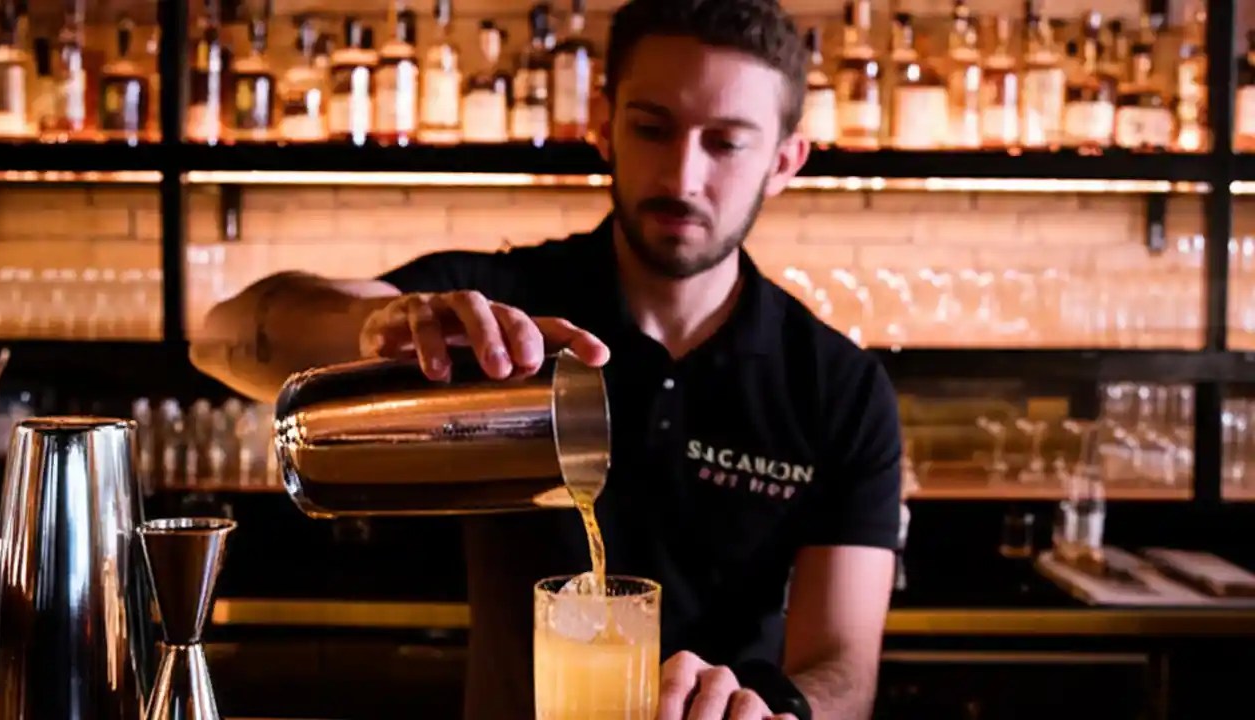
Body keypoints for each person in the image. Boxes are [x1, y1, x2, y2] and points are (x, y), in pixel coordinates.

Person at [190, 0, 902, 718]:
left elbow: (843, 670)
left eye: (726, 143)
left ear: (783, 162)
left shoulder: (838, 387)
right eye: (652, 128)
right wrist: (371, 326)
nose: (683, 175)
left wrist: (779, 711)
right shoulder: (501, 312)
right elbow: (221, 338)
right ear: (603, 125)